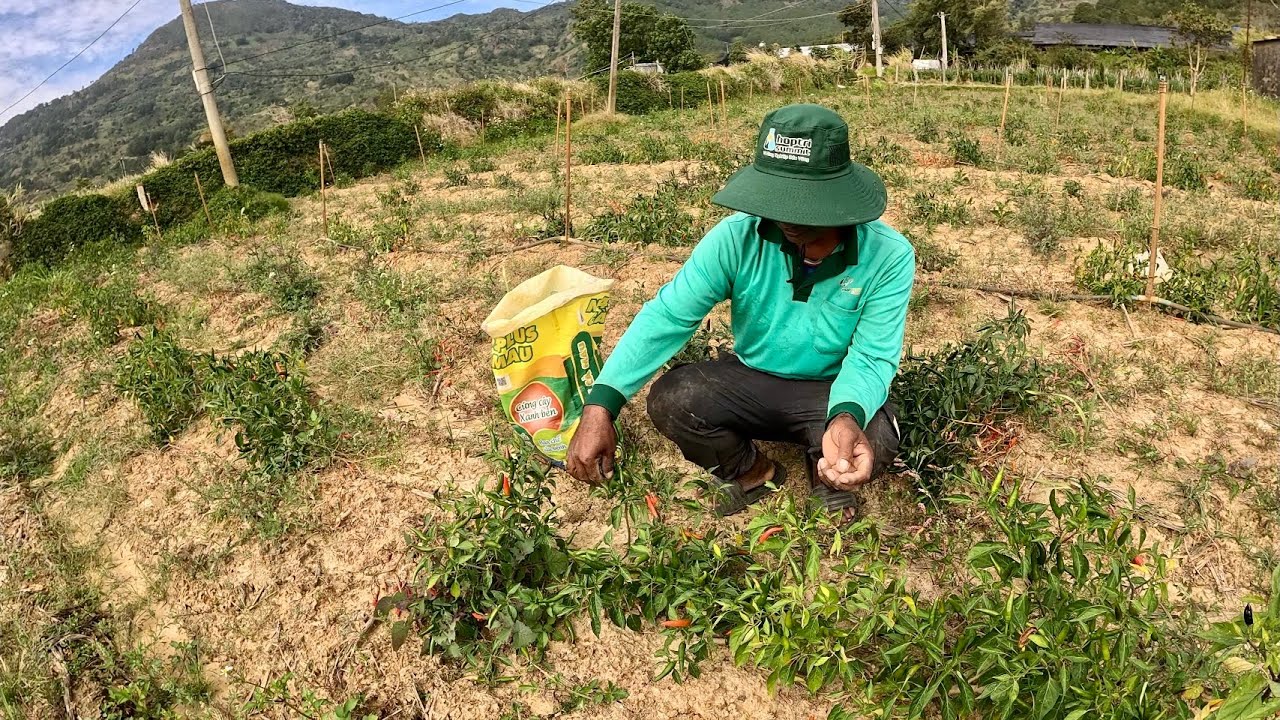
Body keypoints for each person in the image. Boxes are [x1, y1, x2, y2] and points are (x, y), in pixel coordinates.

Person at [566, 103, 914, 517]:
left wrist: (845, 415)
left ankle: (825, 468)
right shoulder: (735, 237)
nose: (788, 218)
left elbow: (872, 356)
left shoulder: (888, 255)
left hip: (829, 390)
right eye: (778, 199)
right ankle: (752, 471)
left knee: (875, 439)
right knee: (674, 399)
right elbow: (668, 316)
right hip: (752, 381)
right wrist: (600, 406)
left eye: (805, 204)